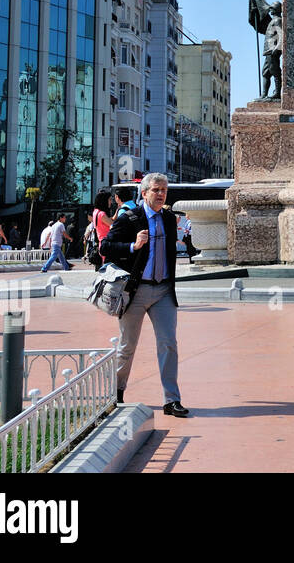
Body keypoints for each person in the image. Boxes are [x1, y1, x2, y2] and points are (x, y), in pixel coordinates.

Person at [100, 173, 188, 416]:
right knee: (127, 345)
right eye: (156, 190)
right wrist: (132, 246)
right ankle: (116, 393)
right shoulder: (130, 218)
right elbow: (105, 247)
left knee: (168, 344)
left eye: (164, 190)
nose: (161, 194)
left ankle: (171, 399)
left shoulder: (169, 219)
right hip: (135, 292)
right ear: (145, 192)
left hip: (163, 291)